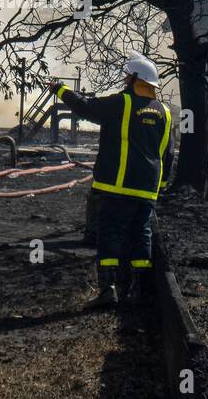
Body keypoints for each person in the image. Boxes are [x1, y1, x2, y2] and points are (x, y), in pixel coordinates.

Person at [50, 54, 173, 307]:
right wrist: (159, 188)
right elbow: (167, 154)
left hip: (117, 187)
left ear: (136, 79)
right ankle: (138, 292)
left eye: (128, 76)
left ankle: (109, 291)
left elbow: (86, 107)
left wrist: (60, 90)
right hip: (147, 190)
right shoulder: (165, 112)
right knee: (142, 235)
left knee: (109, 235)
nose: (125, 79)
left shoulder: (122, 103)